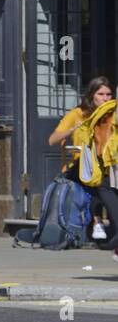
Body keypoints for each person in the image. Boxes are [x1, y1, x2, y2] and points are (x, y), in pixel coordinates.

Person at [52, 76, 116, 245]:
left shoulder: (111, 114)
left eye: (108, 94)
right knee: (100, 184)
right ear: (91, 95)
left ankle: (102, 226)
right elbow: (52, 139)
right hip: (80, 166)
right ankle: (98, 224)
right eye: (100, 94)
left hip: (104, 166)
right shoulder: (78, 114)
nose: (105, 98)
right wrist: (74, 129)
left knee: (107, 182)